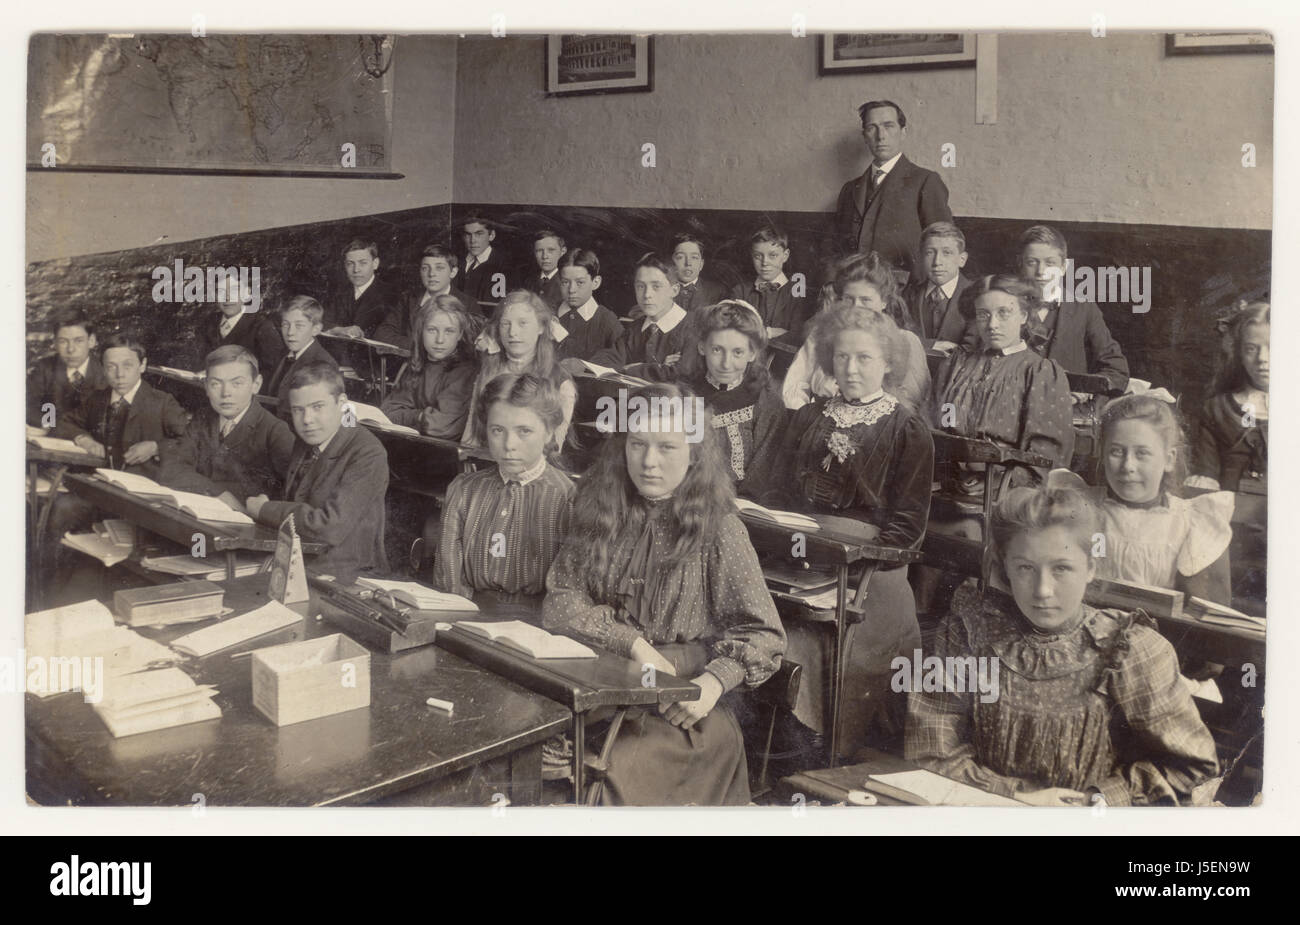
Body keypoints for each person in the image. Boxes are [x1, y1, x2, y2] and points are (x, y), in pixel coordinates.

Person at [905, 475, 1219, 806]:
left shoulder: (1129, 650)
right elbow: (930, 752)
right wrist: (1017, 797)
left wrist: (1100, 799)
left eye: (1062, 569)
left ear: (1090, 568)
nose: (1042, 590)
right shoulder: (969, 633)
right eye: (1026, 568)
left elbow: (1194, 766)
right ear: (1005, 568)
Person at [544, 381, 786, 805]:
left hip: (681, 710)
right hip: (600, 687)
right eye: (637, 444)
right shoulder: (602, 511)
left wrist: (712, 684)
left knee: (605, 774)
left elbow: (765, 637)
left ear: (694, 454)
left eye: (667, 448)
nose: (648, 462)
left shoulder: (721, 530)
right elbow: (561, 601)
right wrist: (631, 642)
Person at [749, 306, 933, 756]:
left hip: (871, 574)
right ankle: (756, 739)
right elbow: (774, 491)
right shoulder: (808, 416)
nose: (851, 369)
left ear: (887, 363)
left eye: (864, 359)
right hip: (799, 554)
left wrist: (842, 555)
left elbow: (906, 533)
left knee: (806, 639)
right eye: (843, 358)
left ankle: (814, 745)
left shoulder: (907, 429)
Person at [433, 373, 574, 616]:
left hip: (537, 626)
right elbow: (449, 579)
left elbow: (566, 593)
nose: (509, 444)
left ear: (549, 432)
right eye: (497, 430)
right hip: (467, 616)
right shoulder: (465, 489)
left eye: (524, 431)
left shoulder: (568, 498)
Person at [247, 362, 389, 583]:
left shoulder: (368, 453)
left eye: (317, 407)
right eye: (298, 409)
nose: (306, 420)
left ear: (342, 404)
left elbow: (330, 526)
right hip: (303, 560)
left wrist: (265, 509)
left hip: (346, 574)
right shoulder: (308, 439)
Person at [1094, 395, 1233, 605]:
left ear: (1168, 460)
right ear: (1102, 454)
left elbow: (1205, 615)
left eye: (1142, 453)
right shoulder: (1087, 512)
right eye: (1116, 451)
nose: (1128, 466)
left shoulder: (1190, 523)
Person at [931, 275, 1076, 473]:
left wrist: (1003, 482)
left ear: (1024, 315)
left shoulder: (1039, 373)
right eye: (983, 315)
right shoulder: (955, 366)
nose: (992, 325)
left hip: (1007, 484)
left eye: (1004, 313)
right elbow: (935, 423)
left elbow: (1046, 456)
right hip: (948, 476)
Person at [782, 251, 930, 411]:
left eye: (865, 300)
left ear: (884, 302)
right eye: (848, 299)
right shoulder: (822, 334)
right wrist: (807, 417)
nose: (856, 308)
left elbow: (910, 405)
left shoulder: (904, 341)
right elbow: (794, 385)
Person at [159, 344, 294, 507]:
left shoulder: (275, 431)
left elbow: (290, 493)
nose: (225, 393)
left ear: (256, 384)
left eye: (236, 383)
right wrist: (218, 494)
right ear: (206, 386)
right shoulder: (202, 419)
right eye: (216, 384)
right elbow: (172, 468)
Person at [676, 300, 786, 496]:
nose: (726, 364)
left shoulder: (766, 403)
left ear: (752, 353)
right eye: (717, 350)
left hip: (739, 507)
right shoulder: (683, 393)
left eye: (738, 352)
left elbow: (761, 477)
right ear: (702, 347)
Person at [833, 99, 952, 276]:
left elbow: (943, 245)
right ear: (864, 136)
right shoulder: (849, 189)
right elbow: (835, 246)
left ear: (903, 132)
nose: (881, 136)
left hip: (905, 291)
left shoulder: (926, 181)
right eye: (872, 128)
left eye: (888, 126)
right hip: (855, 288)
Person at [1017, 224, 1130, 398]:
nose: (1041, 271)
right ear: (1021, 265)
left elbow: (1116, 370)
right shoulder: (1006, 305)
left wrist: (1084, 392)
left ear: (1064, 267)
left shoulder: (1084, 308)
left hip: (1069, 413)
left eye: (1050, 263)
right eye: (1032, 262)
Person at [57, 333, 189, 477]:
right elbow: (65, 422)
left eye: (127, 365)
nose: (120, 374)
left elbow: (189, 441)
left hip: (143, 488)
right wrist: (84, 440)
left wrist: (156, 447)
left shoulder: (163, 402)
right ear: (103, 369)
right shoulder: (97, 399)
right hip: (100, 481)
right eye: (111, 367)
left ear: (142, 365)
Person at [463, 290, 577, 449]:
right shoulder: (489, 371)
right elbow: (470, 436)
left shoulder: (559, 382)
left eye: (523, 323)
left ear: (541, 327)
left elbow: (552, 448)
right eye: (505, 324)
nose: (513, 333)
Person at [1190, 301, 1268, 491]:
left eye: (1273, 347)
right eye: (1251, 348)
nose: (1262, 358)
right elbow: (1205, 475)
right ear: (1239, 353)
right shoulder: (1217, 410)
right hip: (1229, 515)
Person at [380, 294, 480, 438]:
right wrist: (421, 416)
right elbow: (387, 412)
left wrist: (413, 416)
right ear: (421, 332)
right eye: (432, 330)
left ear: (460, 335)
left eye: (449, 331)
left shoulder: (465, 372)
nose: (440, 340)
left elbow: (440, 426)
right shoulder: (418, 364)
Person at [591, 253, 690, 373]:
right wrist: (655, 368)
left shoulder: (692, 330)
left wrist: (630, 368)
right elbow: (602, 361)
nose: (647, 295)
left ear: (674, 290)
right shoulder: (635, 329)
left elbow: (677, 375)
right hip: (628, 392)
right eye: (641, 286)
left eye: (656, 286)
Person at [373, 244, 473, 350]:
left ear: (453, 272)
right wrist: (420, 346)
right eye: (425, 268)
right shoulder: (409, 299)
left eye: (439, 268)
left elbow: (470, 346)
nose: (431, 274)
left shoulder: (468, 304)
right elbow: (382, 334)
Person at [26, 308, 107, 431]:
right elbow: (27, 405)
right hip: (53, 436)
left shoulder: (105, 372)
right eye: (63, 341)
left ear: (91, 341)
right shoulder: (44, 369)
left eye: (78, 341)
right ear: (55, 343)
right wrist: (51, 425)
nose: (71, 349)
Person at [900, 221, 975, 349]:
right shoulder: (908, 294)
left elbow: (974, 346)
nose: (937, 262)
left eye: (947, 253)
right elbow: (897, 338)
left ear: (962, 259)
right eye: (930, 253)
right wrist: (932, 345)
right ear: (921, 257)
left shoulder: (977, 295)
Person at [264, 296, 339, 423]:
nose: (290, 332)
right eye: (285, 325)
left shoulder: (322, 364)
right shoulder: (284, 354)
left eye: (299, 326)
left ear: (316, 329)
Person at [727, 226, 809, 335]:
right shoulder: (740, 291)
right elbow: (732, 331)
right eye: (758, 256)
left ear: (785, 256)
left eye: (773, 255)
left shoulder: (798, 293)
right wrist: (770, 332)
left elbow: (797, 334)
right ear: (751, 256)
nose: (765, 262)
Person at [194, 282, 285, 378]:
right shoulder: (208, 323)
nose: (227, 297)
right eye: (221, 291)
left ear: (247, 294)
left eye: (234, 290)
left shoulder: (262, 326)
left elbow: (274, 374)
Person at [554, 248, 622, 362]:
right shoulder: (548, 314)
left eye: (580, 282)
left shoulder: (608, 321)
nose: (571, 290)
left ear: (595, 282)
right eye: (565, 282)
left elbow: (620, 361)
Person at [323, 238, 396, 337]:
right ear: (344, 265)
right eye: (350, 264)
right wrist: (338, 330)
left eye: (363, 263)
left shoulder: (391, 295)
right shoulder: (338, 292)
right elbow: (322, 322)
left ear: (375, 264)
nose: (356, 270)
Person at [458, 214, 512, 311]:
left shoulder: (505, 266)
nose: (472, 241)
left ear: (491, 235)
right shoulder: (457, 261)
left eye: (479, 234)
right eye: (468, 235)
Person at [671, 232, 727, 311]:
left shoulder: (717, 292)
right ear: (671, 261)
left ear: (701, 264)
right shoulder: (661, 289)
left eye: (694, 257)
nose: (688, 263)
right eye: (680, 257)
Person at [519, 229, 566, 311]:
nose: (544, 256)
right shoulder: (528, 282)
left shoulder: (566, 283)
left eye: (551, 250)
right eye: (539, 251)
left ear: (562, 251)